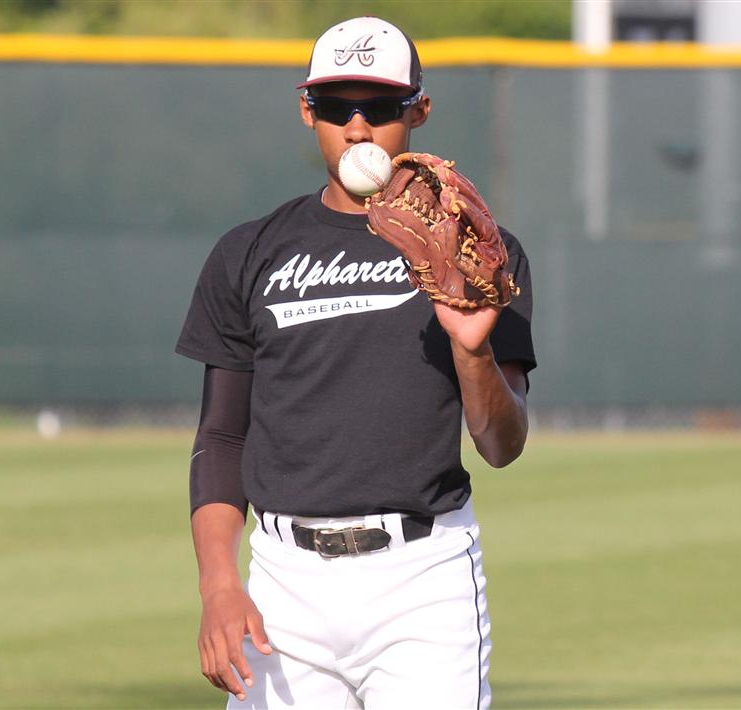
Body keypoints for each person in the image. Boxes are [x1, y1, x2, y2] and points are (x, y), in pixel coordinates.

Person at [175, 16, 537, 709]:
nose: (358, 126)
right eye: (338, 105)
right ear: (308, 109)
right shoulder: (249, 252)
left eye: (381, 106)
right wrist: (220, 585)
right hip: (284, 584)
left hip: (422, 581)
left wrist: (474, 349)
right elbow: (222, 437)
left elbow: (502, 443)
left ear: (419, 110)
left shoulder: (475, 250)